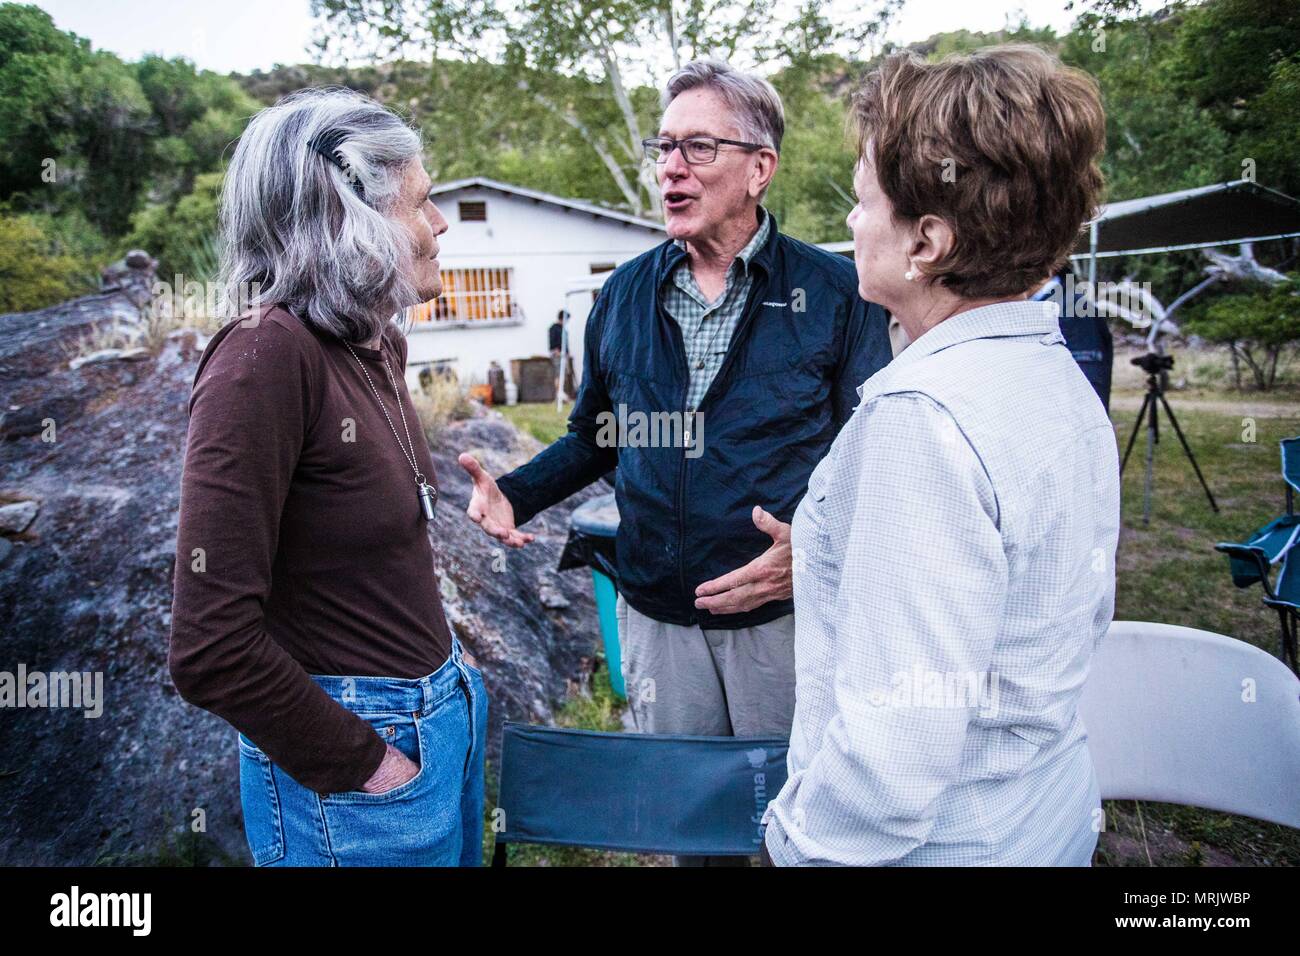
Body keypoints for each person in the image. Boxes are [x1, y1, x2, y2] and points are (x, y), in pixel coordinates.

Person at [458, 59, 890, 862]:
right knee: (690, 824)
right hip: (658, 611)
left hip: (782, 614)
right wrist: (516, 494)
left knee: (791, 818)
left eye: (697, 148)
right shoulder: (623, 294)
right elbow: (599, 436)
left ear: (760, 167)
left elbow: (874, 451)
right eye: (663, 149)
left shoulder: (837, 293)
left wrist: (817, 550)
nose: (670, 169)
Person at [762, 45, 1120, 866]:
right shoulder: (1054, 375)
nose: (851, 225)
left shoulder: (922, 417)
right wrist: (832, 552)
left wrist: (796, 844)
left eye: (862, 203)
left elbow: (893, 752)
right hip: (1040, 814)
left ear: (926, 239)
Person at [168, 88, 487, 867]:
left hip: (438, 719)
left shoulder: (374, 345)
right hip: (364, 772)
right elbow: (210, 648)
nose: (441, 224)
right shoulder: (262, 357)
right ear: (351, 219)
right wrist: (370, 766)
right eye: (422, 202)